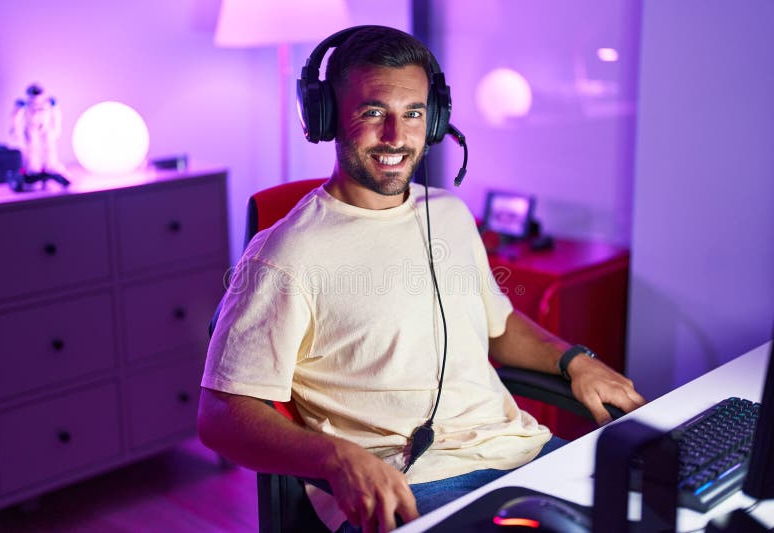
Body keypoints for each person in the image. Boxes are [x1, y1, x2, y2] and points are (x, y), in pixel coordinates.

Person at [198, 25, 645, 533]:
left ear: (433, 121)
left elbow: (497, 324)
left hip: (525, 452)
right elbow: (220, 415)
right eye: (373, 113)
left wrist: (573, 359)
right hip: (410, 486)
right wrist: (338, 459)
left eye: (413, 113)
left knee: (655, 506)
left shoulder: (450, 214)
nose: (396, 137)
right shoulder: (284, 255)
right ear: (325, 118)